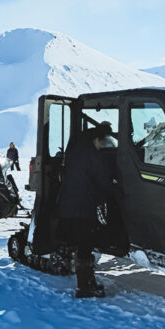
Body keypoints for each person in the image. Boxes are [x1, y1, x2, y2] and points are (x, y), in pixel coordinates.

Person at [55, 123, 118, 298]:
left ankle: (86, 284)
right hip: (83, 209)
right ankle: (86, 287)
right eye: (103, 141)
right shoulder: (92, 155)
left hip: (69, 207)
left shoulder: (75, 151)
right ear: (97, 139)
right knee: (85, 247)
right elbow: (104, 182)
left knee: (81, 245)